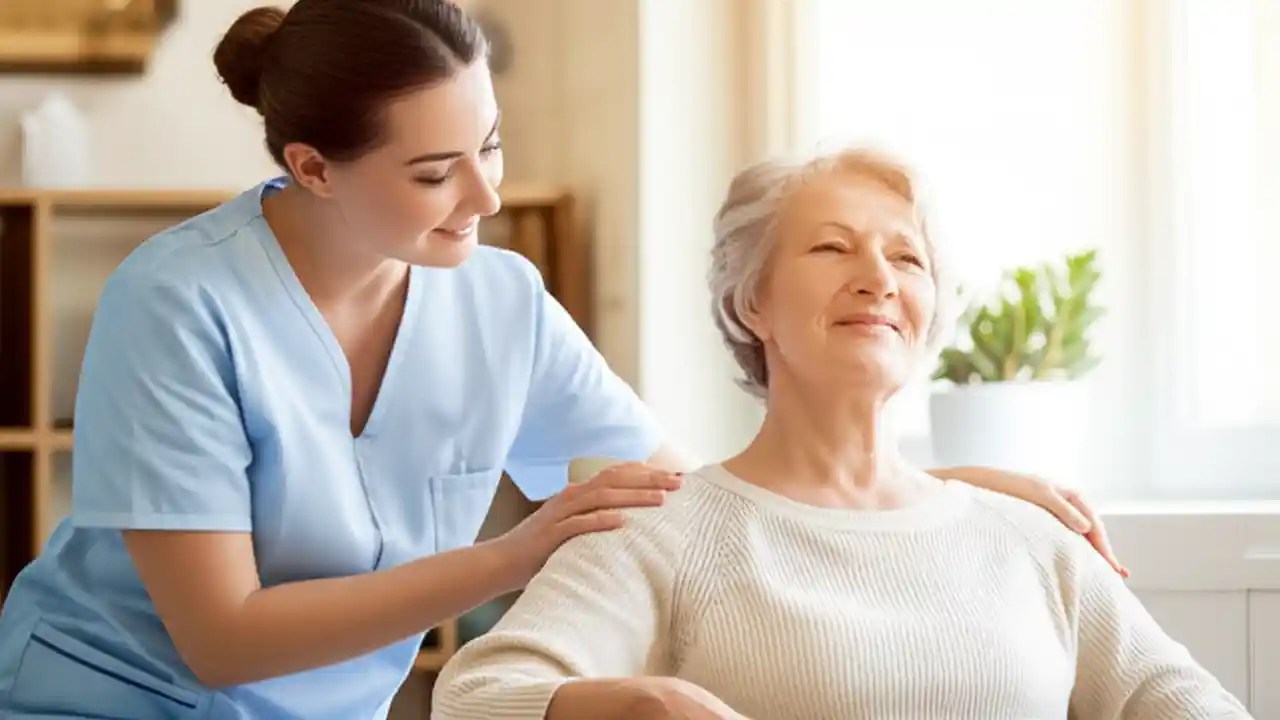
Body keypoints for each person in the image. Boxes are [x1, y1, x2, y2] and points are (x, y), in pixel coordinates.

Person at [0, 3, 1119, 719]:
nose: (485, 197)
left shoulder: (499, 304)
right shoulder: (177, 301)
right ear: (315, 167)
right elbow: (222, 639)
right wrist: (507, 557)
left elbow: (686, 504)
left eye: (490, 145)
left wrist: (941, 495)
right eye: (436, 172)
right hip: (105, 701)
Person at [430, 147, 1251, 720]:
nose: (878, 280)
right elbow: (477, 696)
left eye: (909, 259)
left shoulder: (1031, 538)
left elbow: (1184, 702)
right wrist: (639, 702)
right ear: (751, 303)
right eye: (832, 248)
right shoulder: (664, 531)